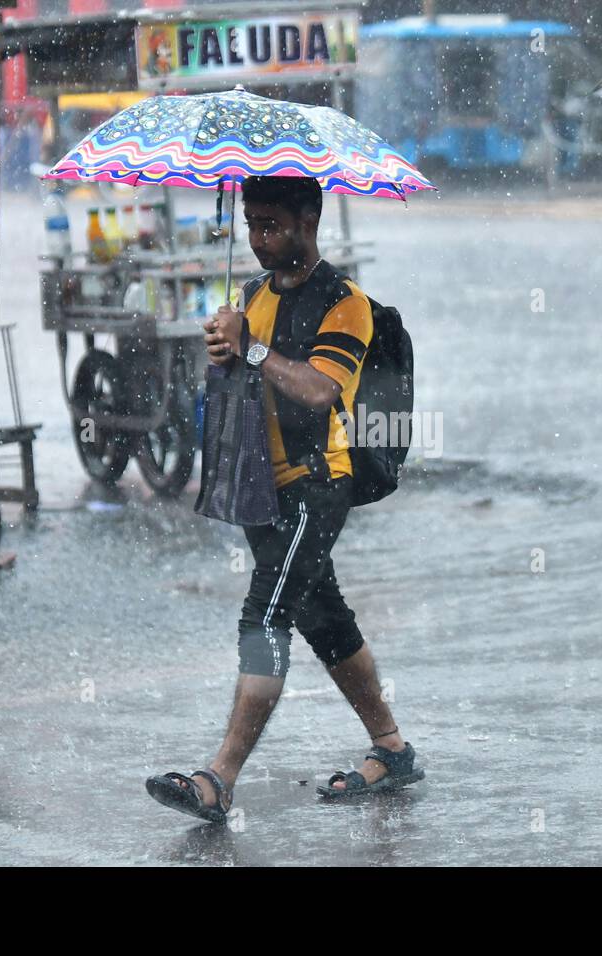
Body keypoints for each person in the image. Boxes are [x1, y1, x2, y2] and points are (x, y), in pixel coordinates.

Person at [146, 176, 423, 823]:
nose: (258, 237)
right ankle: (392, 746)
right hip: (259, 489)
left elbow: (321, 389)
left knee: (264, 615)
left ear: (309, 221)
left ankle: (218, 778)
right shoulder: (251, 297)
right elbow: (240, 375)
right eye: (251, 224)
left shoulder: (345, 303)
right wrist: (223, 344)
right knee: (325, 619)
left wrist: (253, 346)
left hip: (316, 486)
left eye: (271, 224)